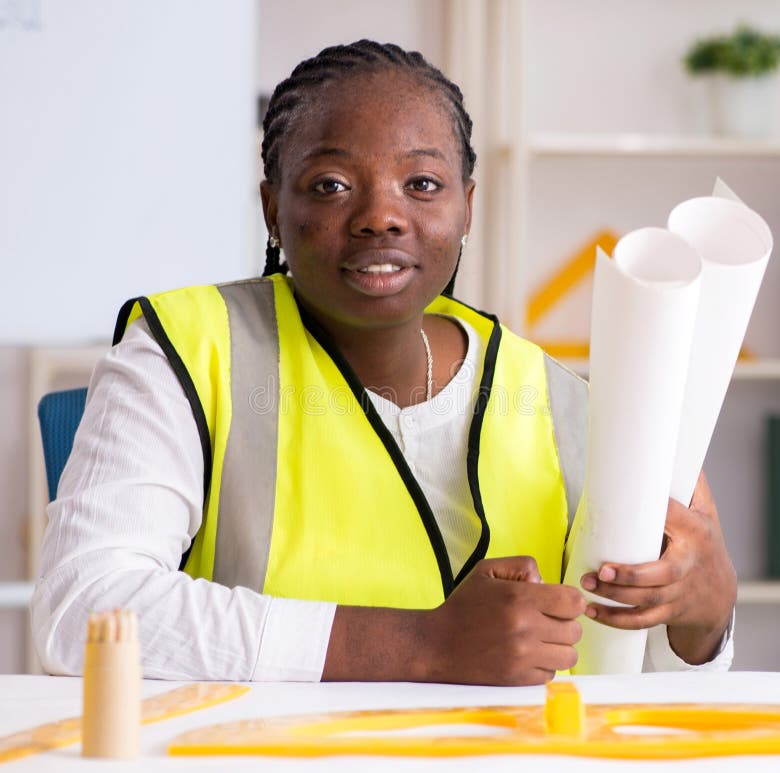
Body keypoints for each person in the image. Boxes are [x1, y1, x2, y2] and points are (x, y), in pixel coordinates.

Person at [32, 40, 736, 685]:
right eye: (332, 184)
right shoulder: (183, 350)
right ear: (273, 210)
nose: (381, 216)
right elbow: (84, 608)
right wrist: (420, 646)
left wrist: (700, 623)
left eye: (422, 185)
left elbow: (643, 689)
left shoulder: (563, 399)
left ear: (466, 208)